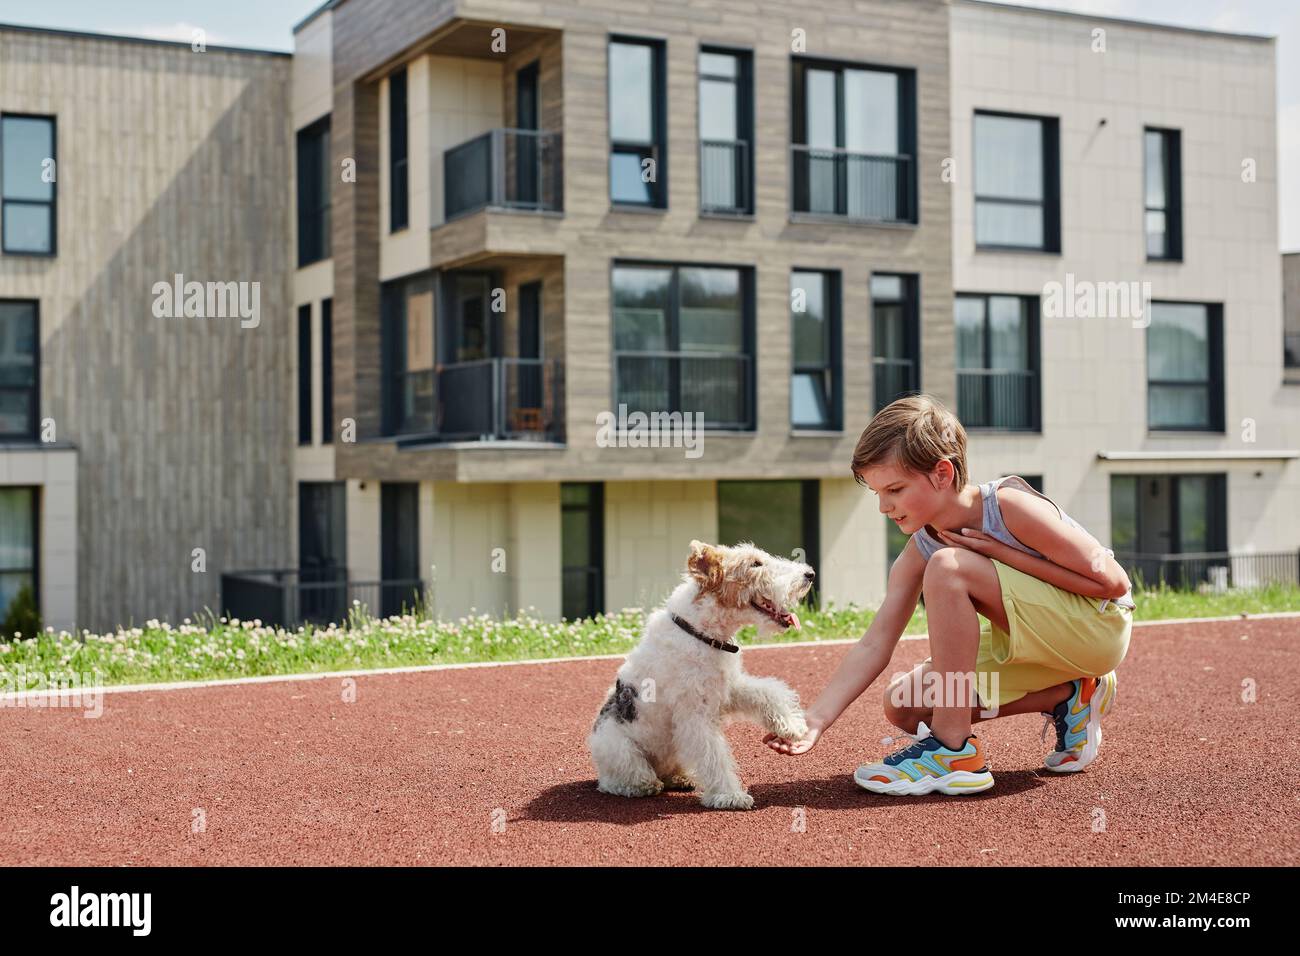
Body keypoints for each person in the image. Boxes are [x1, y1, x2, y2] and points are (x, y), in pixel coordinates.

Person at [764, 394, 1134, 795]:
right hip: (1037, 648)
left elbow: (1114, 584)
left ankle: (952, 751)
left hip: (1096, 631)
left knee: (948, 567)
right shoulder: (919, 549)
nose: (884, 507)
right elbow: (875, 643)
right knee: (904, 704)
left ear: (942, 473)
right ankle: (1070, 695)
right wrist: (816, 719)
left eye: (895, 489)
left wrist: (1001, 552)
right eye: (877, 494)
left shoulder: (1007, 506)